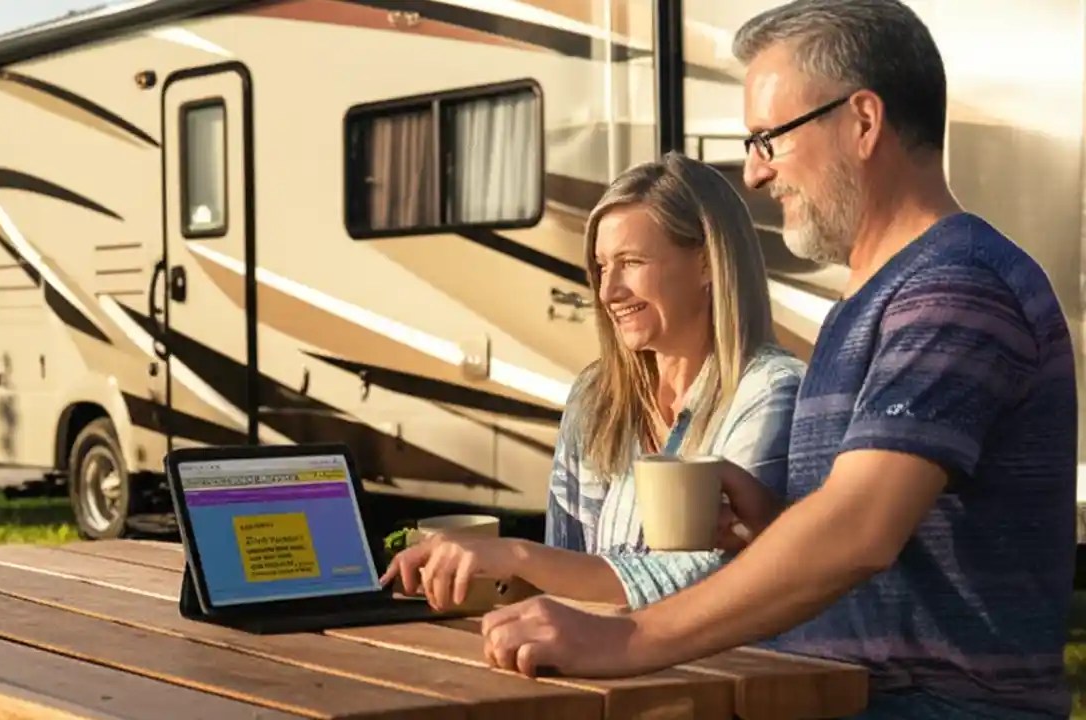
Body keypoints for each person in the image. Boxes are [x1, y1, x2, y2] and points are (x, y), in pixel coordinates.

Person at [476, 1, 1078, 718]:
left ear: (862, 122)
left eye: (769, 139)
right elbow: (885, 538)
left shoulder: (954, 289)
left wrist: (628, 637)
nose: (755, 173)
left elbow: (859, 531)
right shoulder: (875, 300)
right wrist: (770, 524)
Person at [381, 152, 805, 613]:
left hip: (720, 661)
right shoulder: (597, 397)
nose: (608, 291)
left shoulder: (769, 392)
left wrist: (518, 555)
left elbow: (717, 580)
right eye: (602, 266)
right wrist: (477, 573)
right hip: (603, 656)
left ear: (707, 264)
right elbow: (566, 573)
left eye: (631, 262)